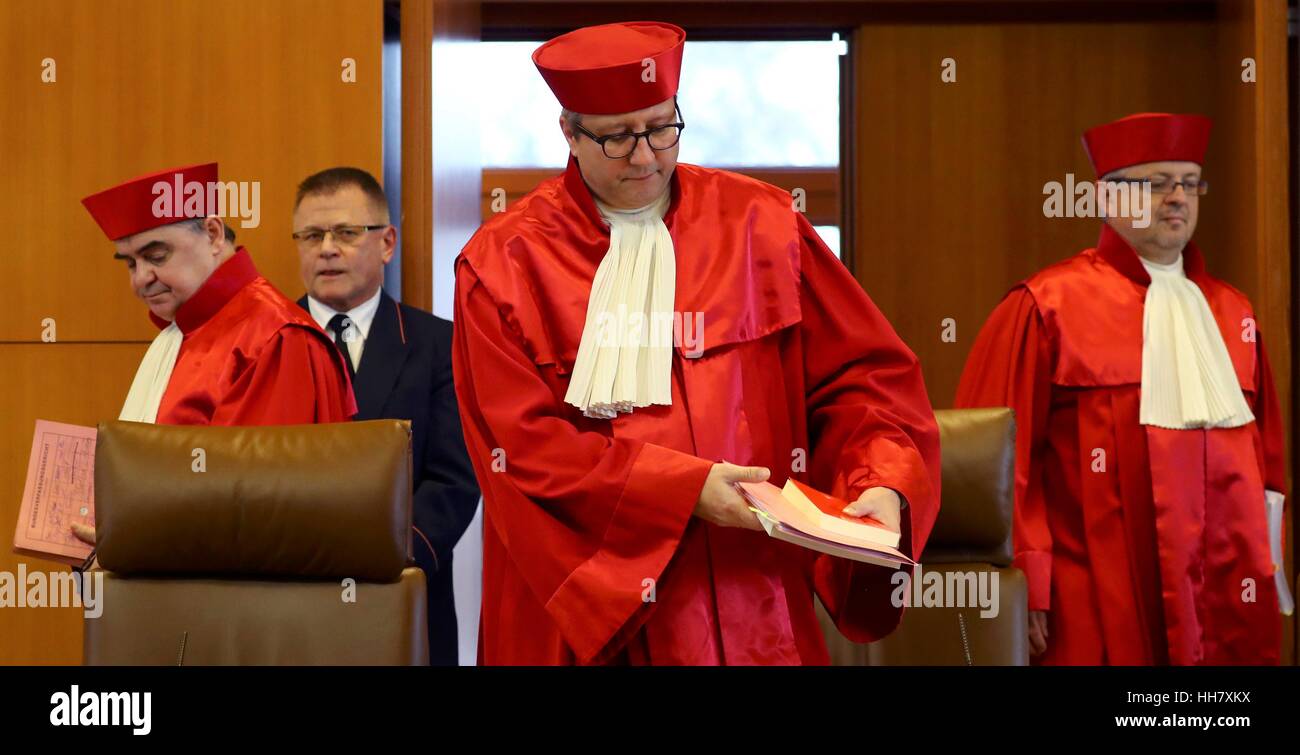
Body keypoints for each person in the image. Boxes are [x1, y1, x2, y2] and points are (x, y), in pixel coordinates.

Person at [453, 21, 940, 665]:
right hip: (597, 614)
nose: (647, 156)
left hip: (751, 590)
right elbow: (521, 452)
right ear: (568, 132)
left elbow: (864, 384)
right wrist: (682, 492)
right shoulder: (505, 264)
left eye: (661, 127)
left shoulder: (762, 224)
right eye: (618, 137)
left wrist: (881, 482)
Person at [956, 113, 1290, 665]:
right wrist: (1027, 579)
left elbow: (1269, 468)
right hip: (1094, 593)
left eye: (1189, 182)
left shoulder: (1234, 314)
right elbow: (992, 466)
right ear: (1105, 197)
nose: (1177, 197)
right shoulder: (1046, 307)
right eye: (1156, 183)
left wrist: (1270, 567)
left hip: (1223, 592)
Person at [73, 162, 355, 546]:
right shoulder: (179, 332)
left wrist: (132, 537)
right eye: (131, 263)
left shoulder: (275, 336)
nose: (141, 279)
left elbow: (258, 508)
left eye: (156, 256)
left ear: (212, 233)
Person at [293, 167, 480, 665]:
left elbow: (454, 481)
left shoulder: (438, 345)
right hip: (288, 602)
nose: (327, 249)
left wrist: (384, 556)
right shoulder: (264, 343)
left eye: (347, 233)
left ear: (387, 242)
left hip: (401, 594)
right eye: (312, 235)